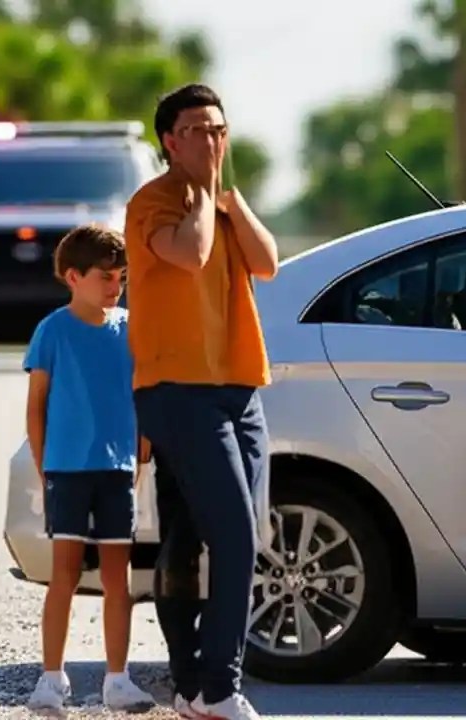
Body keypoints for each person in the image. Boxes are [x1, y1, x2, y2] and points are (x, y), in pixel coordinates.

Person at [123, 83, 280, 720]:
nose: (212, 141)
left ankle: (190, 687)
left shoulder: (224, 204)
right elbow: (189, 254)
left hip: (239, 387)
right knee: (233, 538)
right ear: (169, 139)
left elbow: (267, 264)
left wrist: (229, 204)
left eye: (219, 129)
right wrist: (204, 197)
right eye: (197, 130)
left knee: (200, 535)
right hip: (176, 390)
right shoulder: (153, 203)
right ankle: (218, 688)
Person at [22, 225, 157, 713]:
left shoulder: (130, 329)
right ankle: (51, 678)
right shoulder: (53, 330)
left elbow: (140, 393)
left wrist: (141, 450)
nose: (114, 286)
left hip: (117, 472)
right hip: (67, 470)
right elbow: (36, 404)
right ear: (73, 276)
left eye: (121, 277)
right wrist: (43, 466)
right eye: (105, 276)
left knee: (118, 579)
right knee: (65, 573)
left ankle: (117, 679)